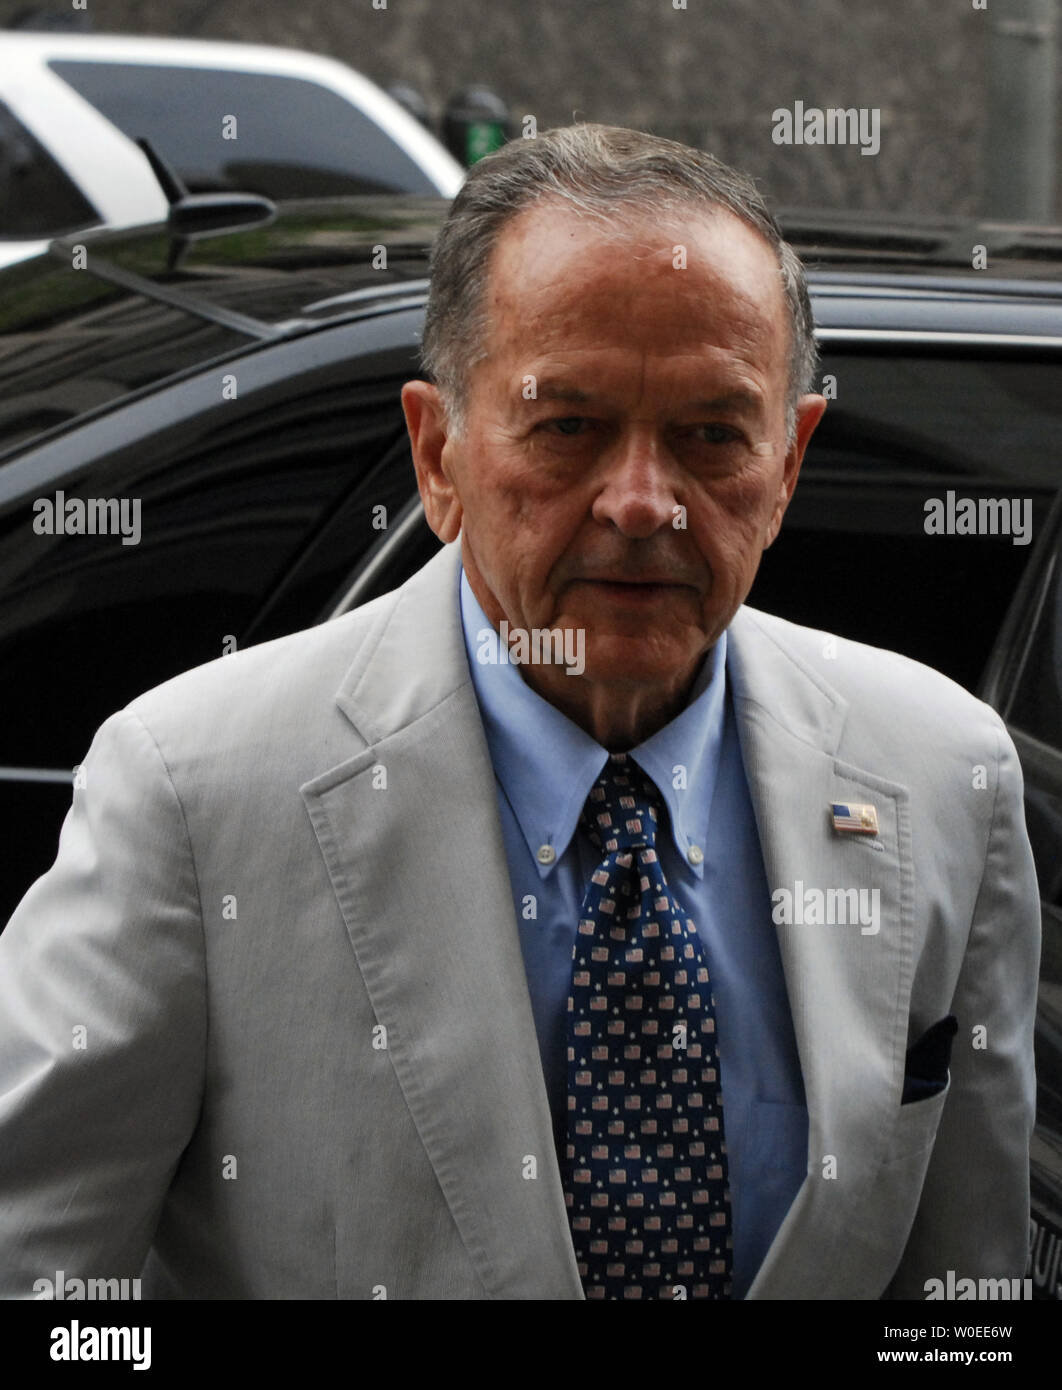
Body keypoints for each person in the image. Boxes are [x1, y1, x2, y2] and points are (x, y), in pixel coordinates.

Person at [0, 124, 1040, 1301]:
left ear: (789, 462)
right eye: (568, 427)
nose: (645, 504)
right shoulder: (193, 792)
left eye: (711, 434)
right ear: (436, 455)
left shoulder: (944, 773)